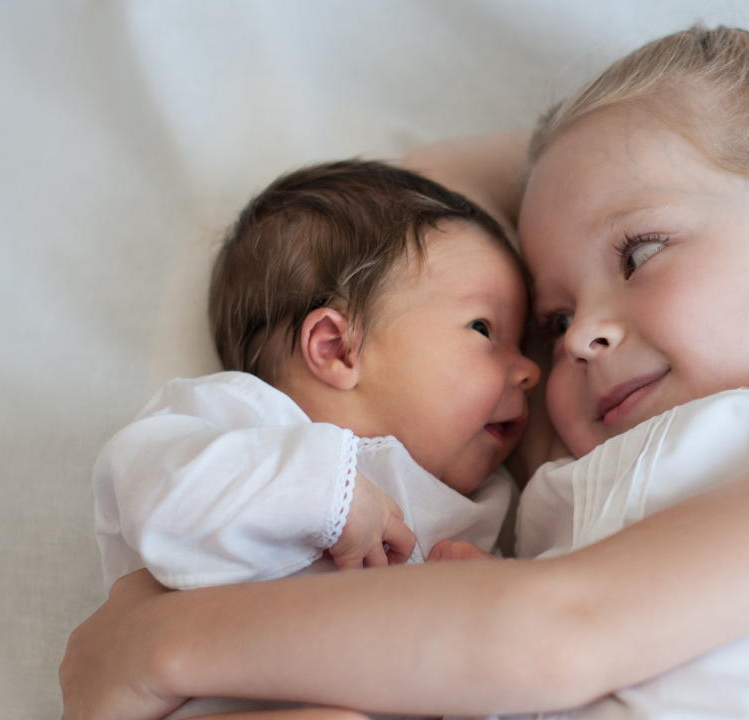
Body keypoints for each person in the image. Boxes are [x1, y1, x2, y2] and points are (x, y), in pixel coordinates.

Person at [61, 28, 749, 720]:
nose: (571, 343)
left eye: (640, 251)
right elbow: (390, 224)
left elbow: (556, 634)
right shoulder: (571, 448)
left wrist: (160, 645)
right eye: (552, 314)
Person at [91, 160, 540, 717]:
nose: (529, 370)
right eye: (483, 329)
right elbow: (158, 494)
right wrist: (329, 492)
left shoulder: (482, 509)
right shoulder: (246, 421)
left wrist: (489, 605)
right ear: (336, 348)